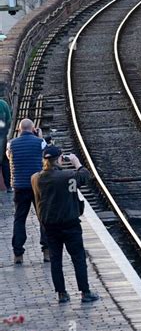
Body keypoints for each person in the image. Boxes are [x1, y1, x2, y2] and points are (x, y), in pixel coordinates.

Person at [31, 146, 99, 304]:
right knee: (78, 258)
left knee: (56, 259)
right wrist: (76, 162)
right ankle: (85, 292)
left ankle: (61, 294)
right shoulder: (67, 176)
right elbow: (85, 175)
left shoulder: (35, 178)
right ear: (60, 159)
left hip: (49, 226)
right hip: (70, 225)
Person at [7, 119, 49, 264]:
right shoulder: (40, 142)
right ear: (33, 129)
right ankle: (47, 251)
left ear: (19, 130)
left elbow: (9, 156)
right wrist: (40, 137)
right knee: (43, 218)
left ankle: (18, 254)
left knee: (19, 220)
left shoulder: (11, 144)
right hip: (38, 186)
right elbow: (47, 156)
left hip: (19, 187)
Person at [0, 97, 12, 192]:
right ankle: (8, 186)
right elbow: (9, 120)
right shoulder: (3, 104)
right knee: (5, 162)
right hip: (3, 137)